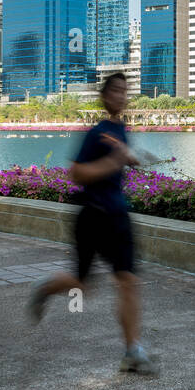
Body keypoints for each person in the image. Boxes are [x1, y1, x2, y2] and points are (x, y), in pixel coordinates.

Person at [28, 72, 154, 374]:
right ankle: (46, 287)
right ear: (104, 96)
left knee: (128, 281)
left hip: (118, 217)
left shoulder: (121, 129)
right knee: (82, 285)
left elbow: (118, 160)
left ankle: (132, 351)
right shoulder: (96, 132)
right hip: (93, 217)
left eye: (125, 91)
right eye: (115, 90)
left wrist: (130, 158)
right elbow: (76, 174)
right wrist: (114, 162)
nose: (121, 96)